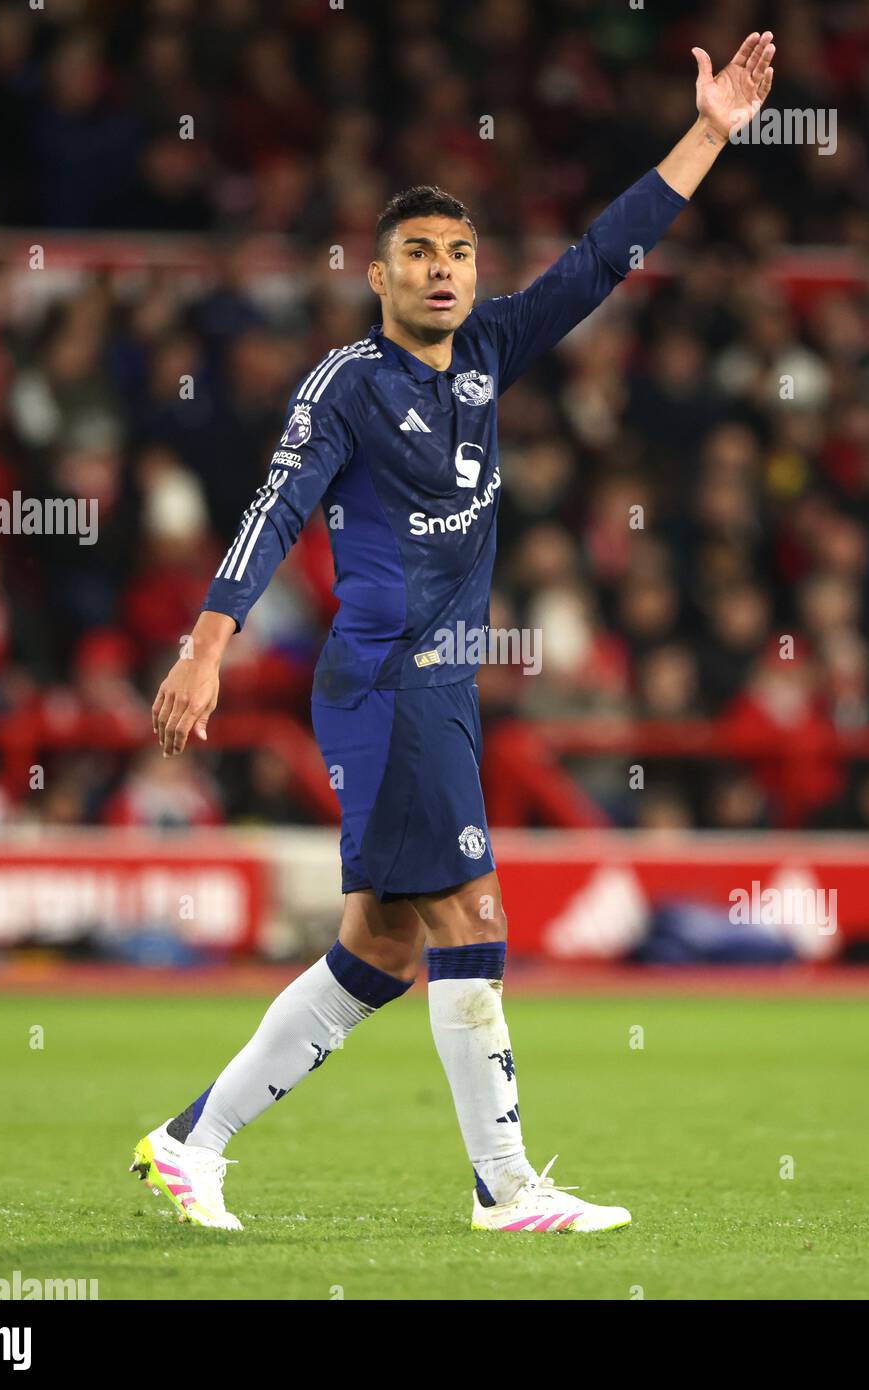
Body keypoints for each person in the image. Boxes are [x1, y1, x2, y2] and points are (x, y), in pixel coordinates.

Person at [133, 32, 777, 1234]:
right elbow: (275, 511)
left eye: (459, 252)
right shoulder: (342, 386)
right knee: (472, 914)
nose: (442, 270)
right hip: (382, 680)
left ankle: (188, 1141)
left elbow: (602, 259)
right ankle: (504, 1186)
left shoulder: (486, 352)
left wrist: (711, 131)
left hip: (439, 687)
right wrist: (207, 641)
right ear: (377, 278)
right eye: (418, 254)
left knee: (377, 952)